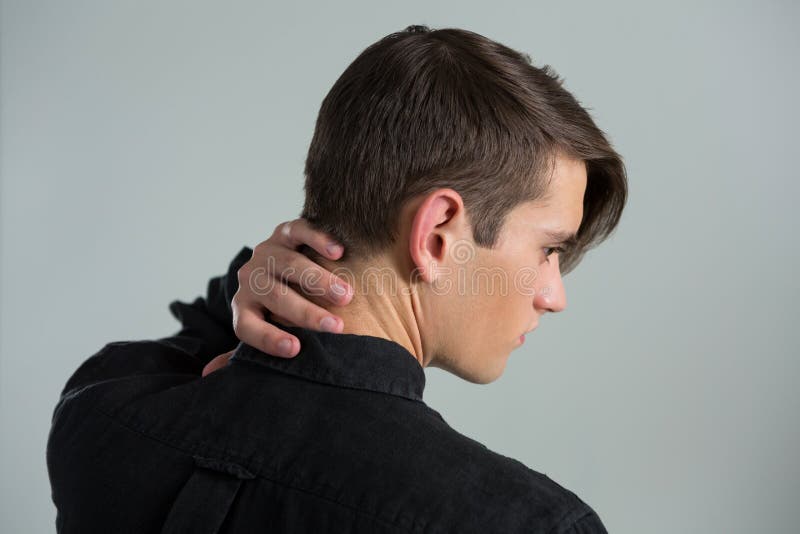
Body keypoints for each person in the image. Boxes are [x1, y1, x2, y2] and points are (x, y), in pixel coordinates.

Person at [47, 25, 626, 533]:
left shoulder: (99, 416)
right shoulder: (530, 524)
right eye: (548, 249)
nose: (554, 296)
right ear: (436, 235)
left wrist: (255, 278)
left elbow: (189, 336)